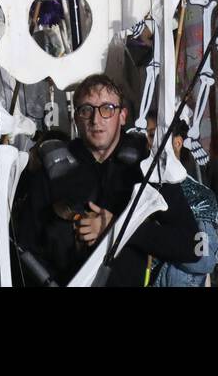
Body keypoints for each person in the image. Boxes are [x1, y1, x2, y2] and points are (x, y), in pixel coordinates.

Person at [13, 73, 199, 286]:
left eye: (107, 109)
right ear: (76, 118)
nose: (96, 119)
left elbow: (191, 246)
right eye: (86, 110)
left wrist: (117, 227)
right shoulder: (53, 168)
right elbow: (25, 246)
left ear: (122, 116)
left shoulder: (148, 169)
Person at [150, 121, 218, 287]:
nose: (149, 143)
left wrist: (151, 238)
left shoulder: (199, 196)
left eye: (154, 135)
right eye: (145, 136)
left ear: (177, 143)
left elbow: (203, 258)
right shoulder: (138, 188)